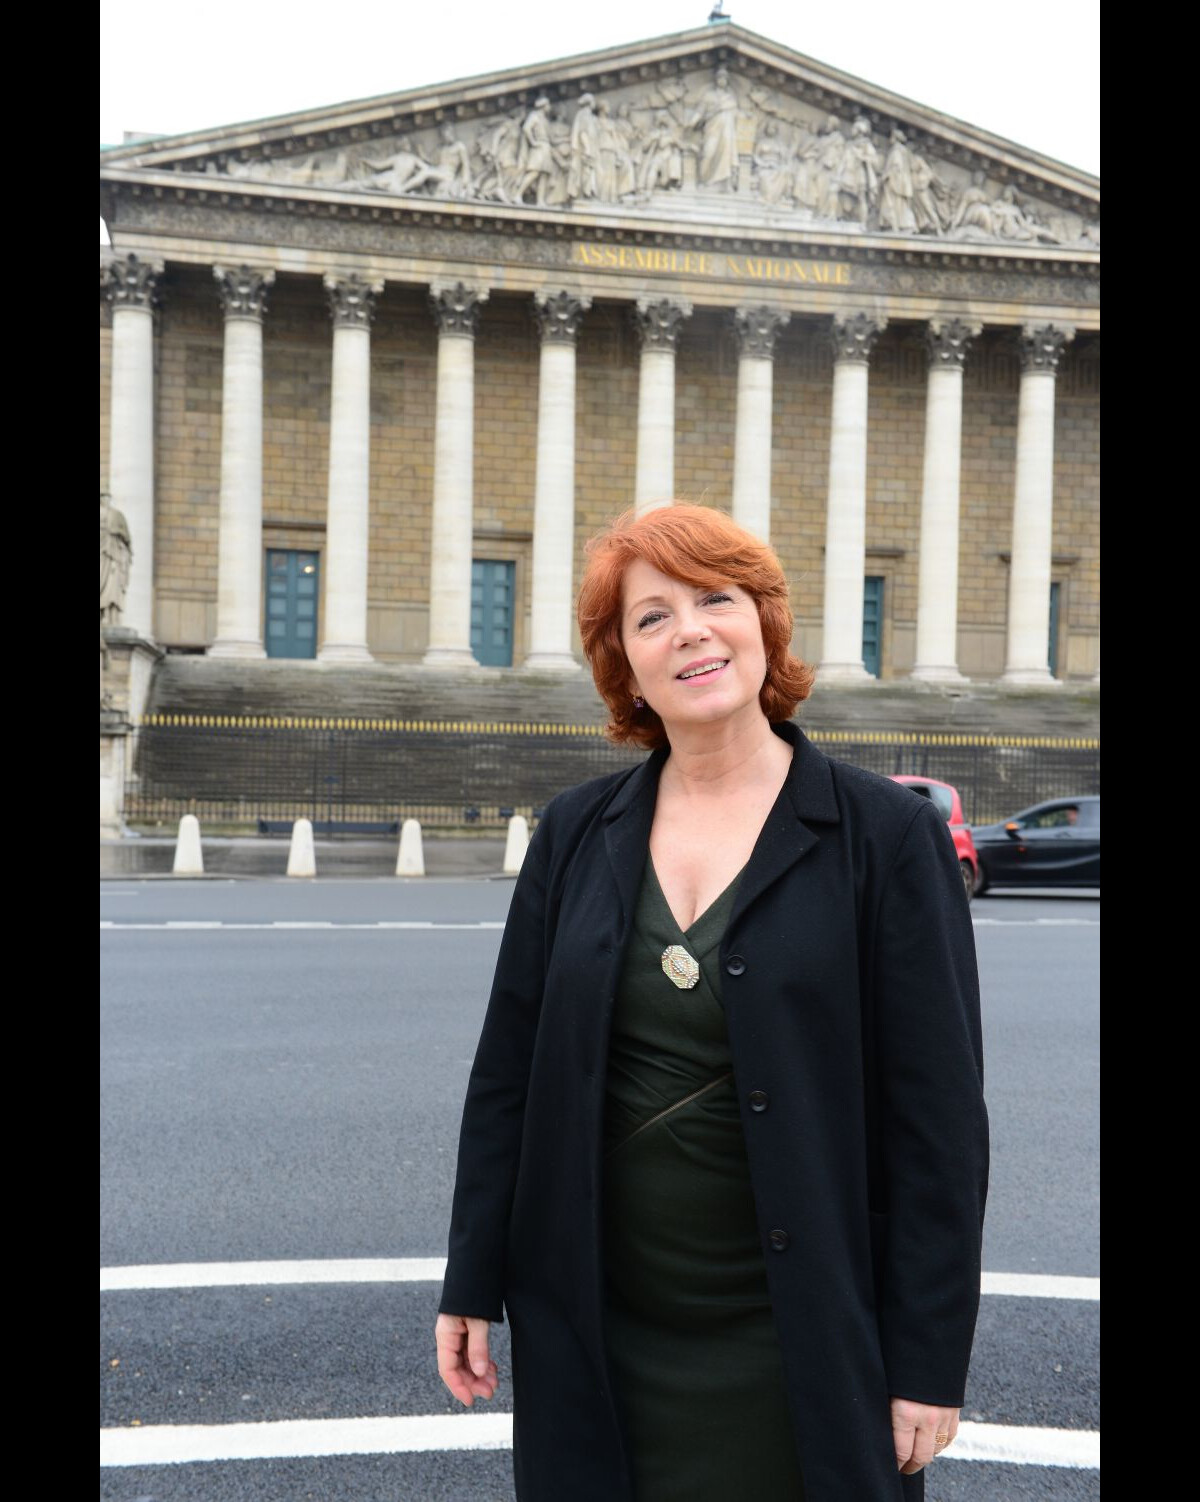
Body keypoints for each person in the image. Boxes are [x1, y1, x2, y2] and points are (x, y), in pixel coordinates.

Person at [436, 504, 989, 1501]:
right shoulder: (573, 831)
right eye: (651, 618)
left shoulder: (884, 836)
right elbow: (509, 1068)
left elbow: (939, 1121)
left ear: (764, 624)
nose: (687, 629)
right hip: (601, 1319)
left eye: (714, 599)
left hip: (804, 1325)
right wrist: (471, 1274)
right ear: (626, 667)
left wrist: (927, 1357)